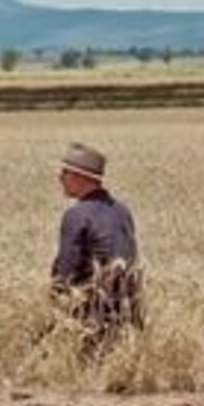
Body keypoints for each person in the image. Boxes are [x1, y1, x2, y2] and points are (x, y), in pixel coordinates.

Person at [51, 141, 142, 345]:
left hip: (92, 313)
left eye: (65, 172)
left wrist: (53, 314)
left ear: (80, 177)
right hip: (128, 311)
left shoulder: (76, 215)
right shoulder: (122, 210)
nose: (60, 178)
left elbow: (65, 272)